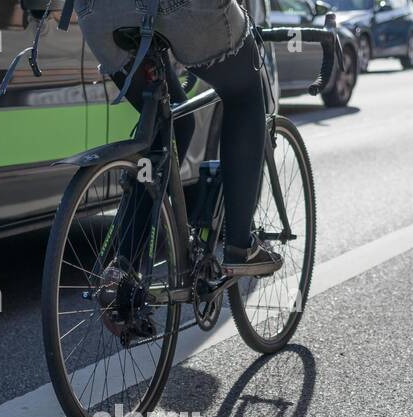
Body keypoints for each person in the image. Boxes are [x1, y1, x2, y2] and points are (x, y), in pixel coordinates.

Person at [74, 0, 282, 277]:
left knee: (176, 122)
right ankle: (241, 249)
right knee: (244, 92)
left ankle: (122, 269)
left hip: (97, 11)